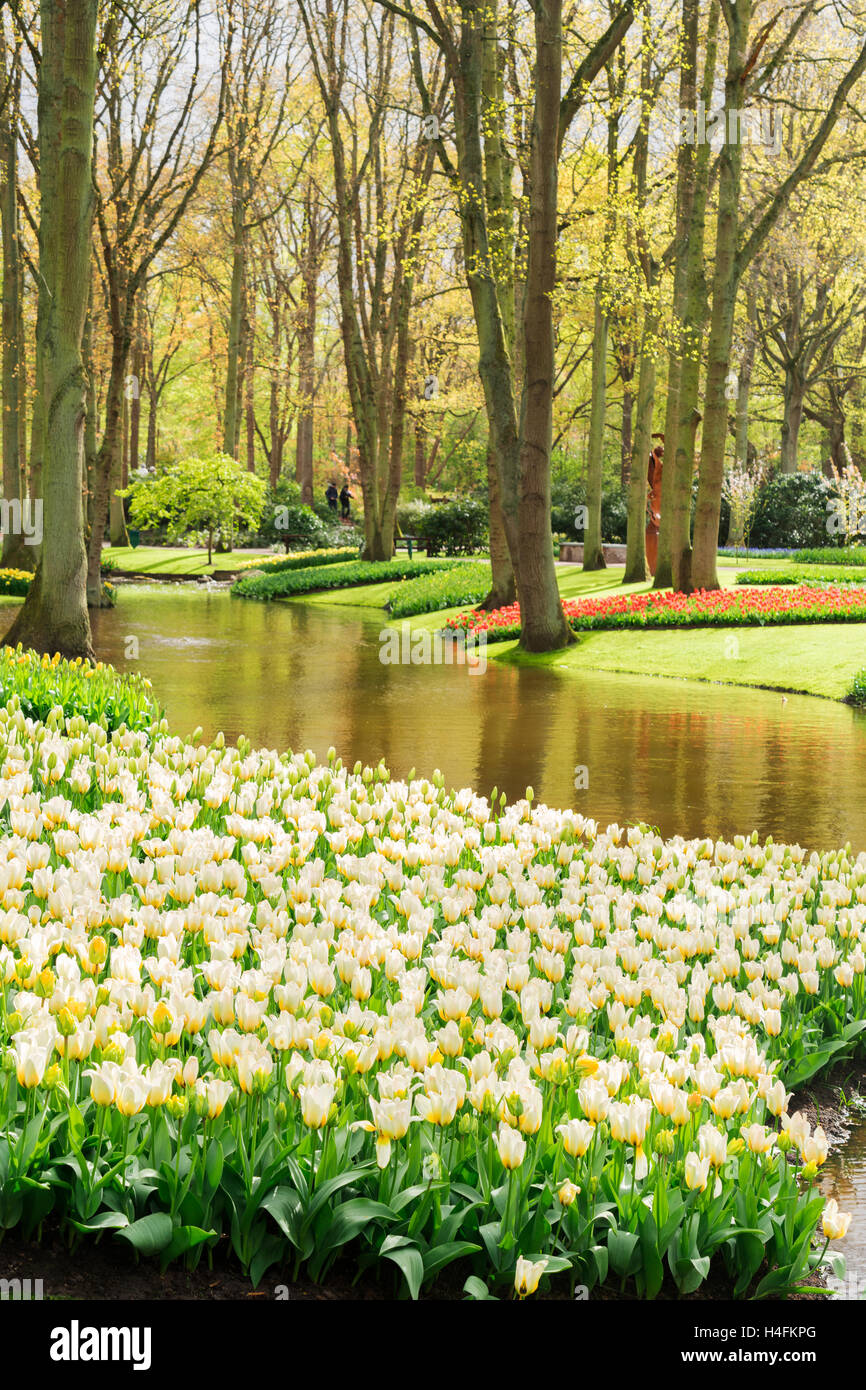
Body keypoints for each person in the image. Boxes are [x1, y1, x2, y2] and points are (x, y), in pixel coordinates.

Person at [645, 435, 664, 576]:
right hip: (657, 503)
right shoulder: (658, 469)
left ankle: (654, 567)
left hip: (659, 503)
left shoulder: (661, 468)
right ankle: (652, 568)